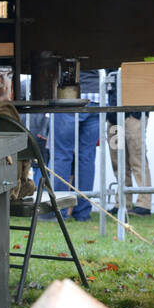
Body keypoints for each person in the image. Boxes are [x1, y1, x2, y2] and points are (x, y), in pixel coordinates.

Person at [51, 72, 100, 221]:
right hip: (96, 96)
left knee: (62, 155)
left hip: (67, 95)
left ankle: (59, 210)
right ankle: (83, 212)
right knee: (86, 158)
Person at [106, 71, 152, 215]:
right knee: (117, 163)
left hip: (135, 113)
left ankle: (144, 203)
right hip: (114, 116)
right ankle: (122, 202)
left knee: (137, 159)